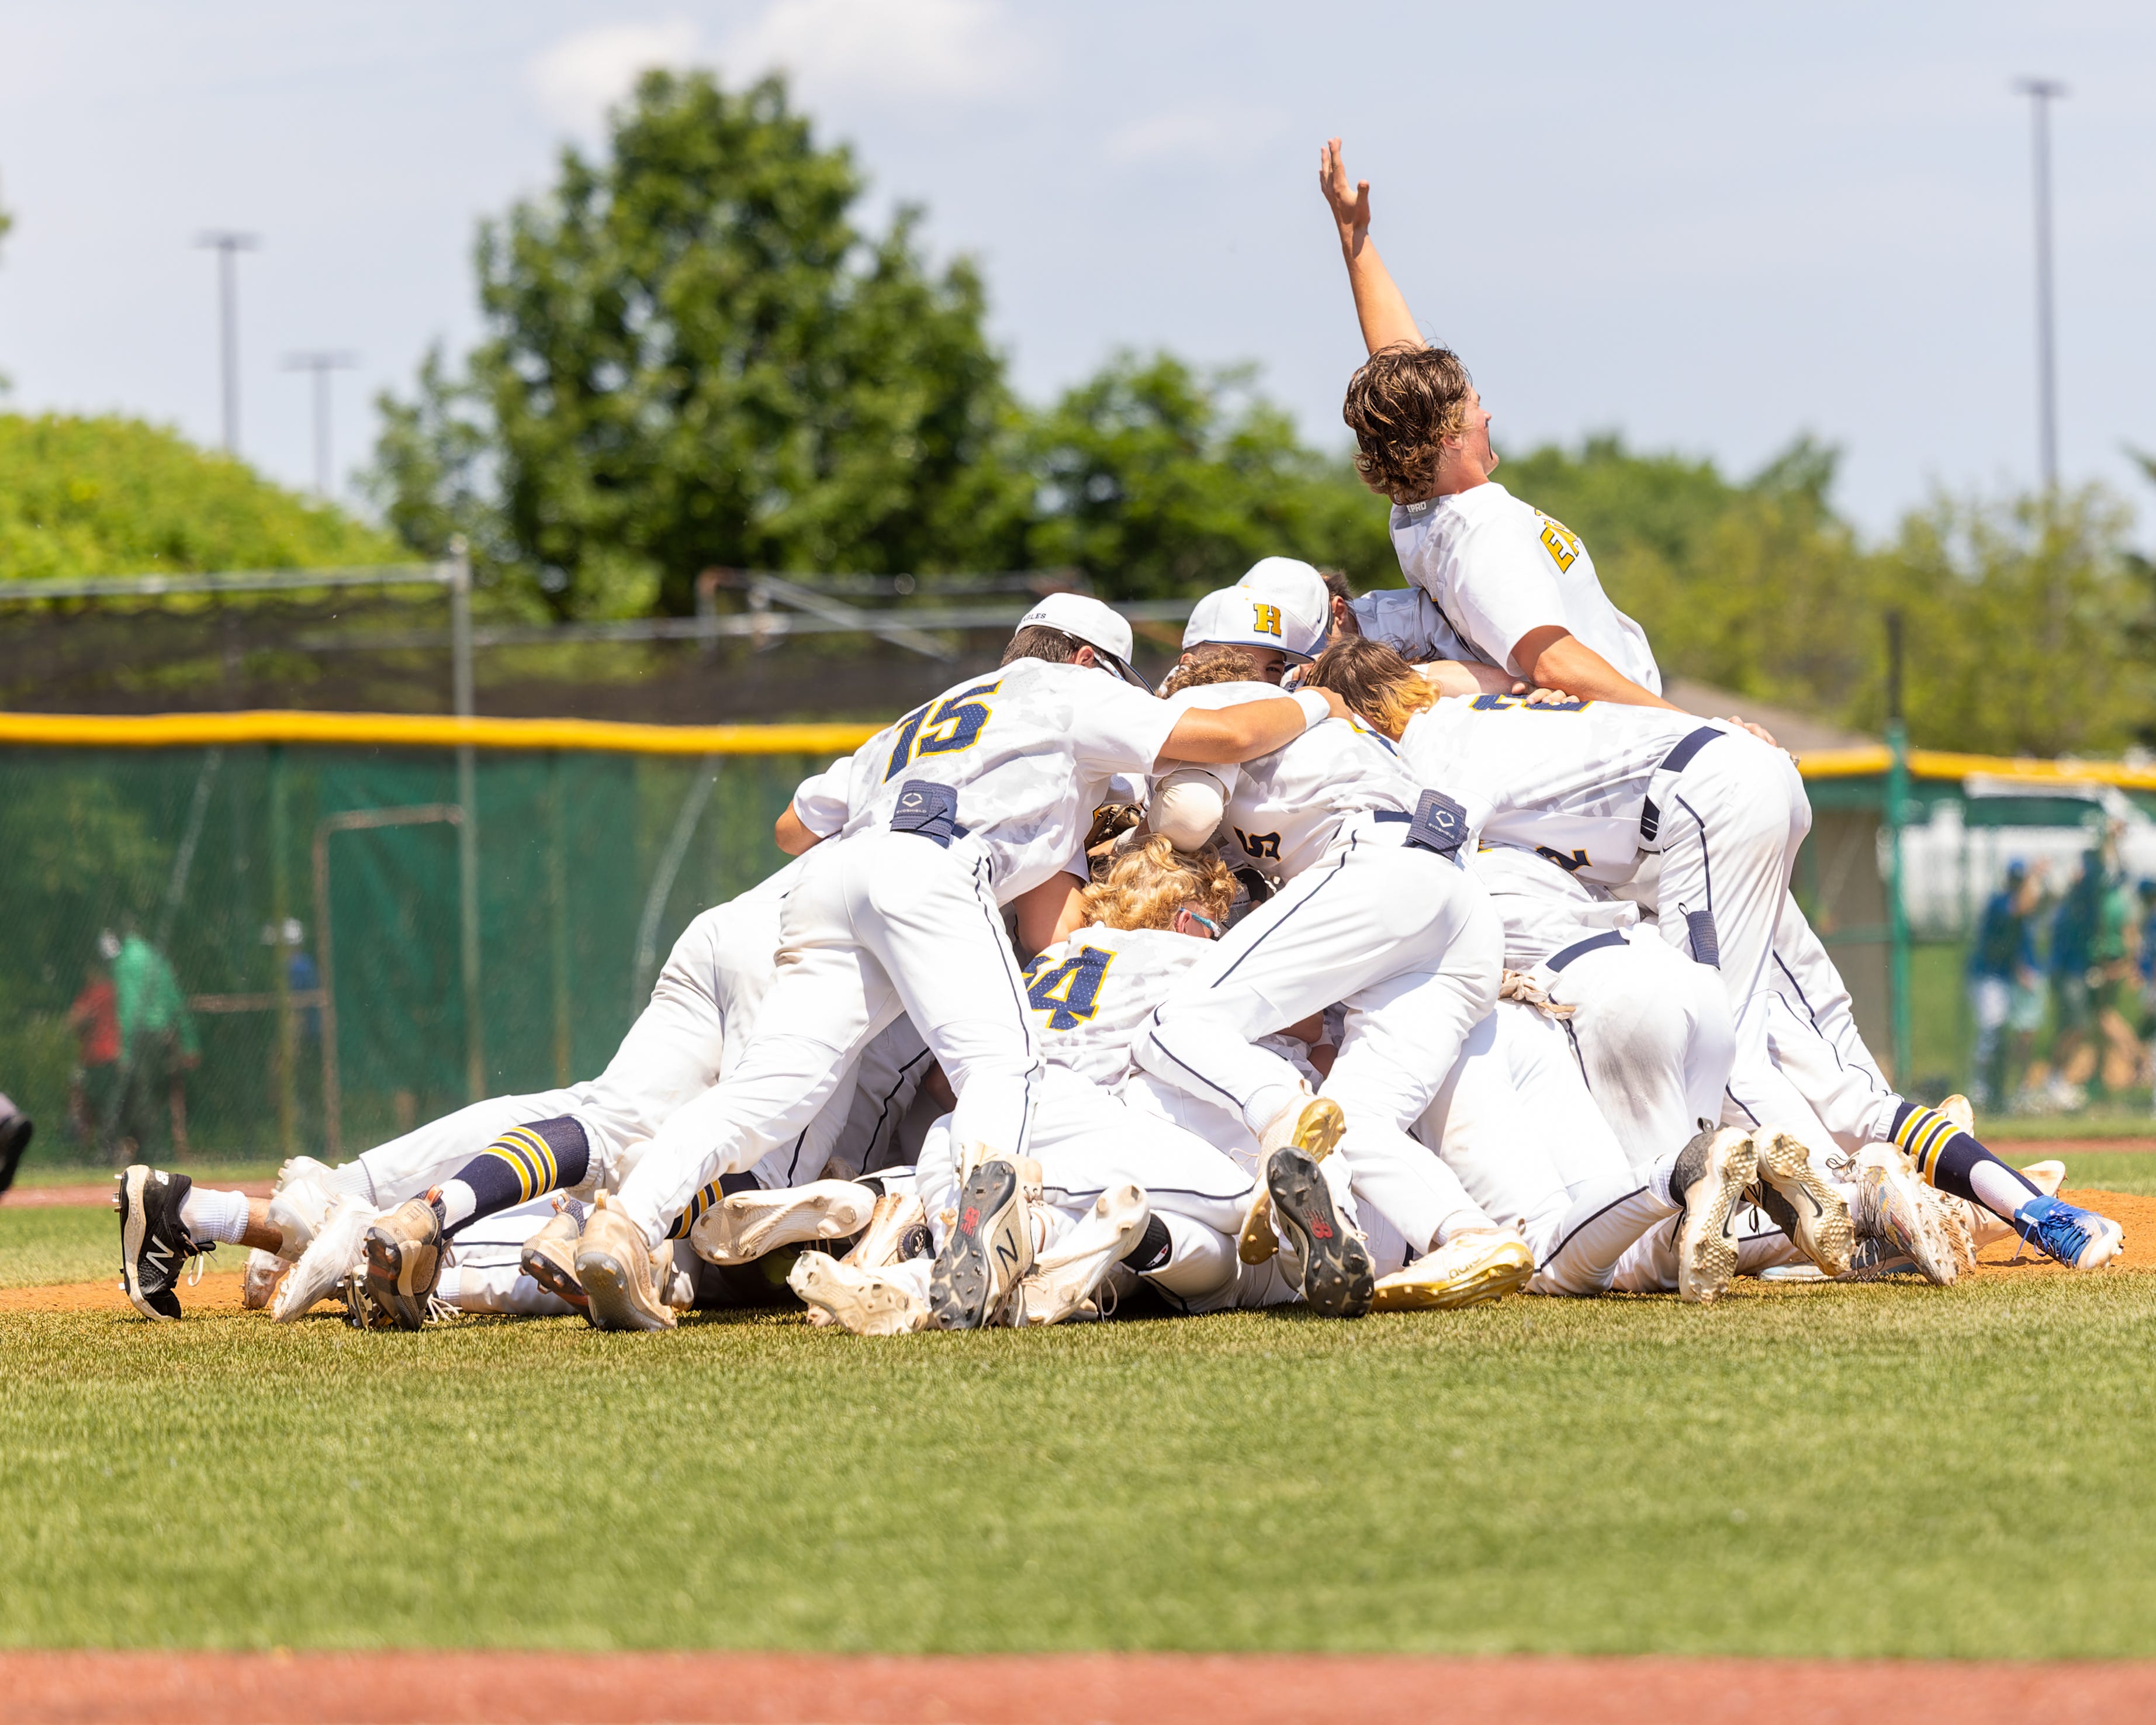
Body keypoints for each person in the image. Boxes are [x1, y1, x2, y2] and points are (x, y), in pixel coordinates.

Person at [569, 592, 1349, 1330]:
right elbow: (1228, 739)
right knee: (1005, 1067)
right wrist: (1323, 701)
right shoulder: (1067, 689)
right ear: (1087, 660)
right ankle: (975, 1236)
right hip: (935, 867)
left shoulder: (930, 711)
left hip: (836, 876)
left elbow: (791, 827)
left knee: (771, 1088)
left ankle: (626, 1225)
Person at [1316, 138, 1670, 710]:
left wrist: (1353, 237)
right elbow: (1552, 661)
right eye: (1473, 405)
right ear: (1445, 437)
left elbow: (1400, 373)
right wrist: (1692, 728)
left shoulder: (1424, 507)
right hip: (1622, 746)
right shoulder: (1481, 532)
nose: (1486, 414)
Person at [110, 921, 198, 1161]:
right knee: (163, 1095)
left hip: (140, 1038)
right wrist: (190, 1042)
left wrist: (126, 1050)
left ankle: (151, 1152)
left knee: (142, 1096)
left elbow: (128, 1008)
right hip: (164, 1037)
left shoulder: (125, 962)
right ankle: (165, 1150)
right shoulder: (157, 958)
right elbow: (176, 1001)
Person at [1966, 860, 2047, 1111]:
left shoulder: (2018, 909)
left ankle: (1997, 1091)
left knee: (2006, 1033)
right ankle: (1979, 1087)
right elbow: (2019, 907)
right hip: (1987, 976)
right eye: (2017, 881)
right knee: (1992, 1027)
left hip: (2004, 979)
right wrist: (2035, 876)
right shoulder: (1999, 902)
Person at [66, 953, 120, 1147]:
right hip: (112, 1057)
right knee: (107, 1107)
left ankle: (99, 1148)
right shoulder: (113, 991)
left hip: (98, 1059)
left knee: (92, 1106)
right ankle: (106, 1147)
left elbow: (74, 1020)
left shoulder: (94, 993)